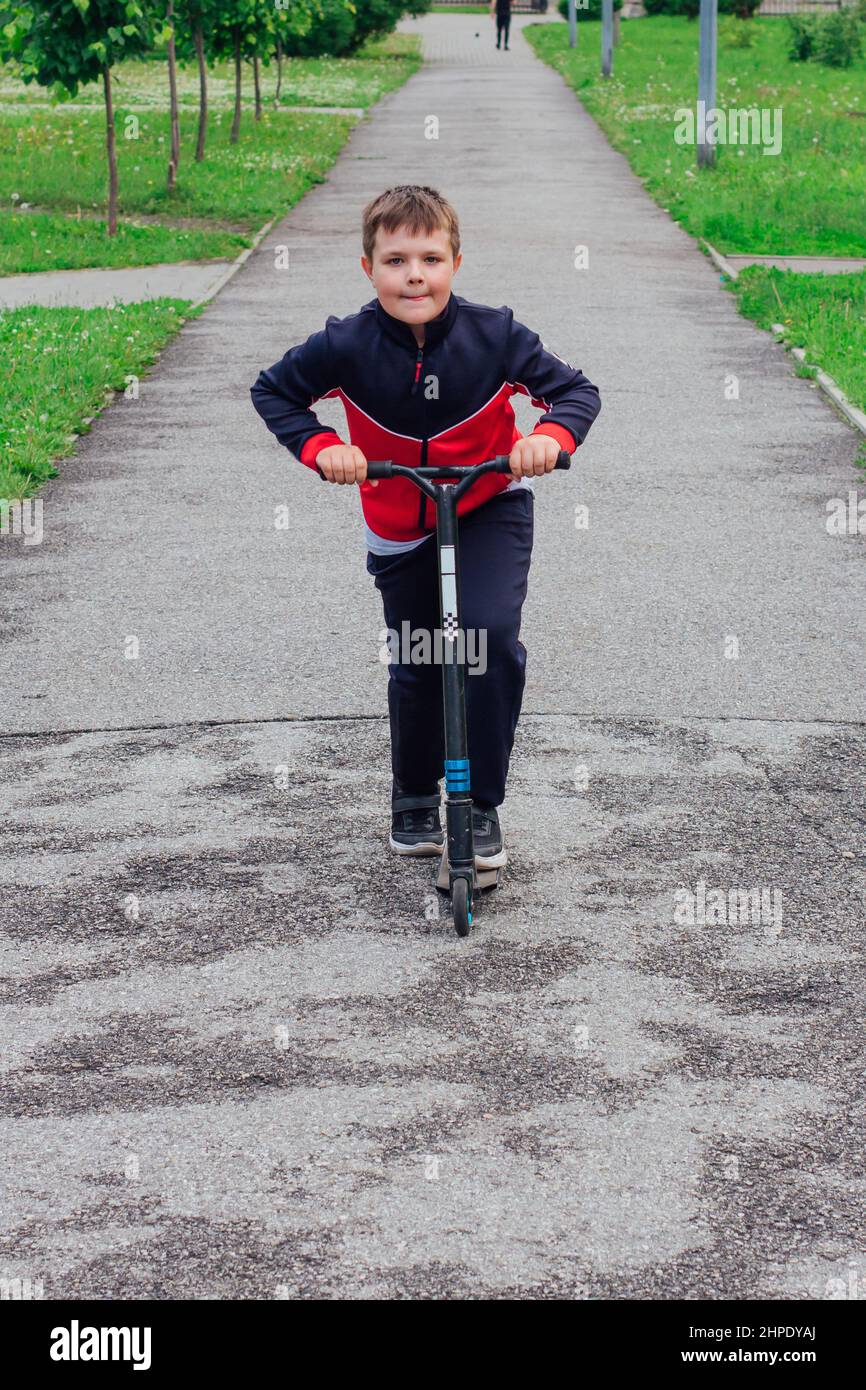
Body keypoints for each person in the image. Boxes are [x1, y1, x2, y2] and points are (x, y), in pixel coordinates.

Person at [250, 185, 600, 867]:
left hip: (486, 504)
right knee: (417, 657)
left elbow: (576, 391)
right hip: (400, 519)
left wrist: (549, 437)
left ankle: (482, 807)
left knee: (487, 639)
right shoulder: (344, 344)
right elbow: (275, 391)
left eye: (431, 258)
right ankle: (413, 790)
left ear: (456, 263)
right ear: (368, 268)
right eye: (396, 260)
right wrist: (325, 449)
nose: (415, 274)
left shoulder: (494, 334)